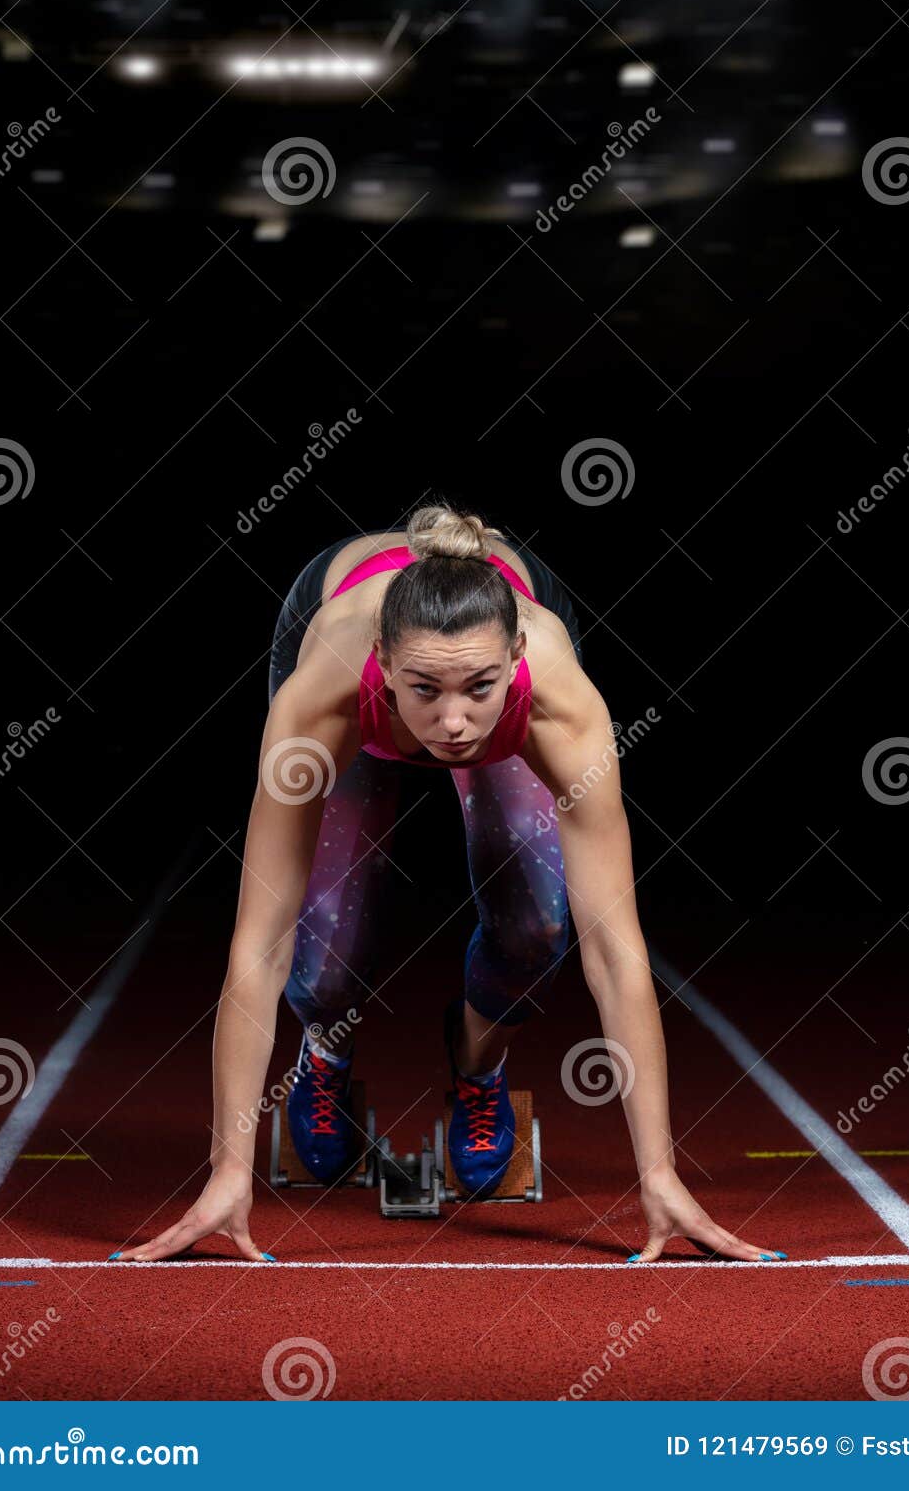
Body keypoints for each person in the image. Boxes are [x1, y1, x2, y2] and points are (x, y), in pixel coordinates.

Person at [115, 505, 786, 1264]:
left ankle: (480, 1067)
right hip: (339, 633)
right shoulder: (322, 697)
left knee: (538, 925)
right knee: (327, 950)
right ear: (382, 660)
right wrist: (226, 1171)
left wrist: (658, 1175)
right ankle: (325, 1057)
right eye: (425, 690)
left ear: (517, 655)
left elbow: (615, 952)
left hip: (484, 656)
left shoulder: (560, 702)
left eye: (478, 688)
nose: (454, 724)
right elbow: (255, 948)